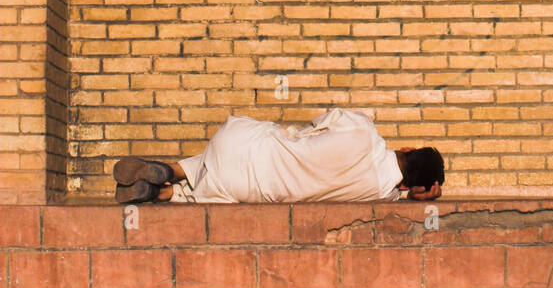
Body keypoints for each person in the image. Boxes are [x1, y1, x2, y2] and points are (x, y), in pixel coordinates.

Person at [112, 108, 444, 205]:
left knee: (214, 160)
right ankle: (162, 193)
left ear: (407, 149)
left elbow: (315, 126)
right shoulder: (379, 194)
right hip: (250, 189)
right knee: (214, 189)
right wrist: (416, 196)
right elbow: (399, 194)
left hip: (243, 145)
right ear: (412, 185)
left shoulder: (363, 128)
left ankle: (167, 171)